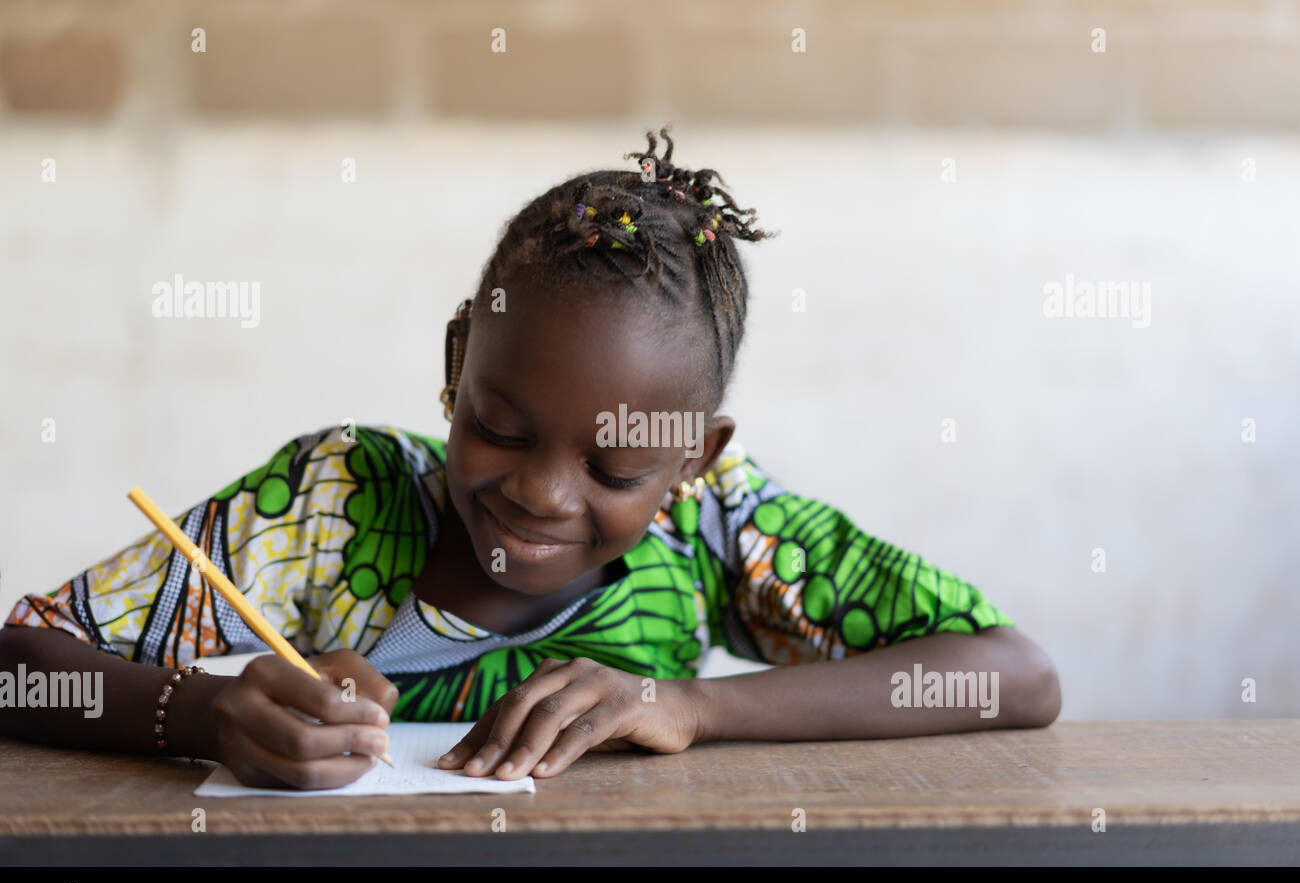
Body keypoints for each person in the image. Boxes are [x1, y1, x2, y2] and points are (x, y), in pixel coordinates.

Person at [0, 126, 1060, 789]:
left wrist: (690, 705)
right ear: (458, 362)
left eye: (614, 469)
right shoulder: (329, 501)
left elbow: (1014, 674)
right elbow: (16, 665)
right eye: (502, 429)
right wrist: (197, 710)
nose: (542, 492)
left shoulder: (718, 523)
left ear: (696, 456)